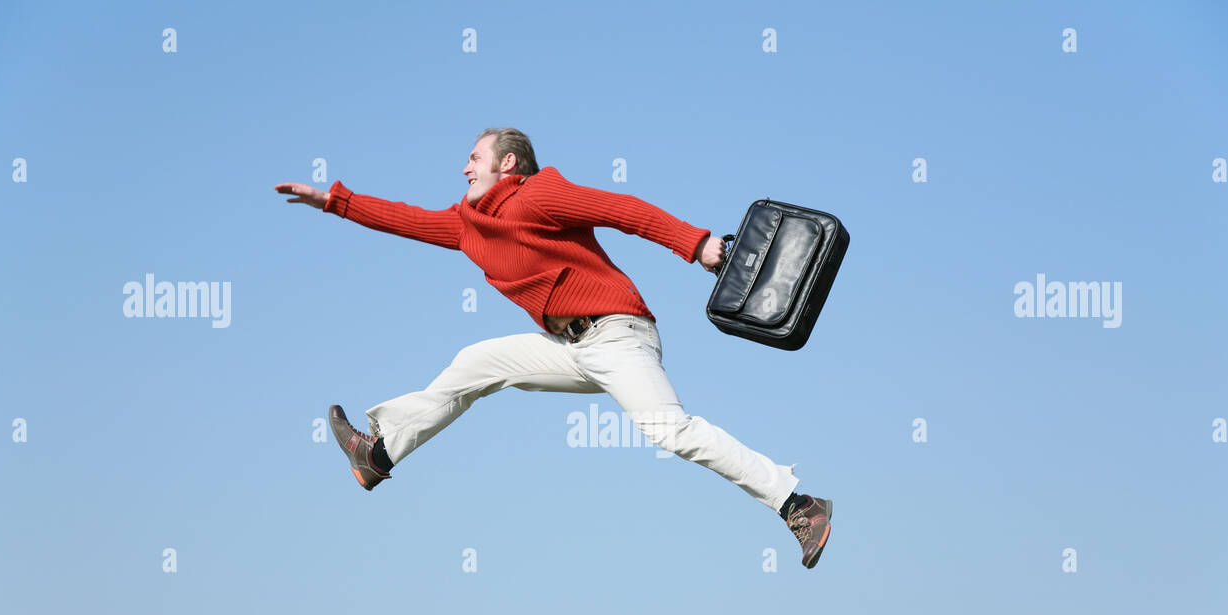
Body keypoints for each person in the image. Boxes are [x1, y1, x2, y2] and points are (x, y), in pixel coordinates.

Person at [274, 128, 832, 568]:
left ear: (507, 163)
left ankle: (796, 504)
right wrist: (333, 201)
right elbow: (409, 220)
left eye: (474, 157)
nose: (465, 167)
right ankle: (378, 453)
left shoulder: (539, 194)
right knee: (476, 364)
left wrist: (696, 244)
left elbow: (622, 210)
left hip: (617, 333)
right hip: (569, 345)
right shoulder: (469, 225)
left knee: (669, 430)